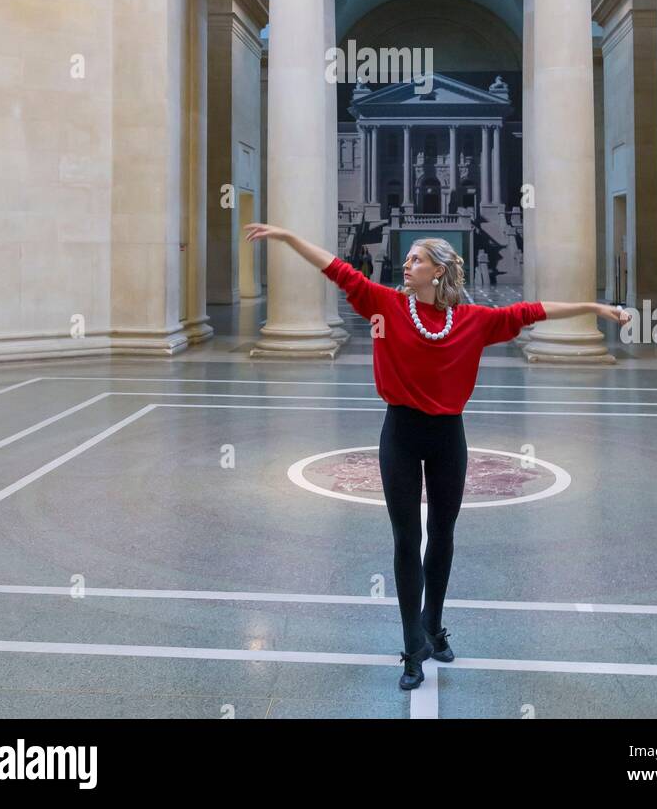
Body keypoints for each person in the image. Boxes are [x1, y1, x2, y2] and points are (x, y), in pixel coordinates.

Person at [245, 222, 631, 692]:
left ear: (440, 270)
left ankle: (433, 624)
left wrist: (593, 307)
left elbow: (531, 311)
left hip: (449, 437)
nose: (406, 265)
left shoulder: (472, 320)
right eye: (407, 259)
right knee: (406, 539)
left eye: (416, 260)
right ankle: (412, 647)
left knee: (443, 535)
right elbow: (337, 269)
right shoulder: (383, 303)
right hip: (400, 434)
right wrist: (286, 237)